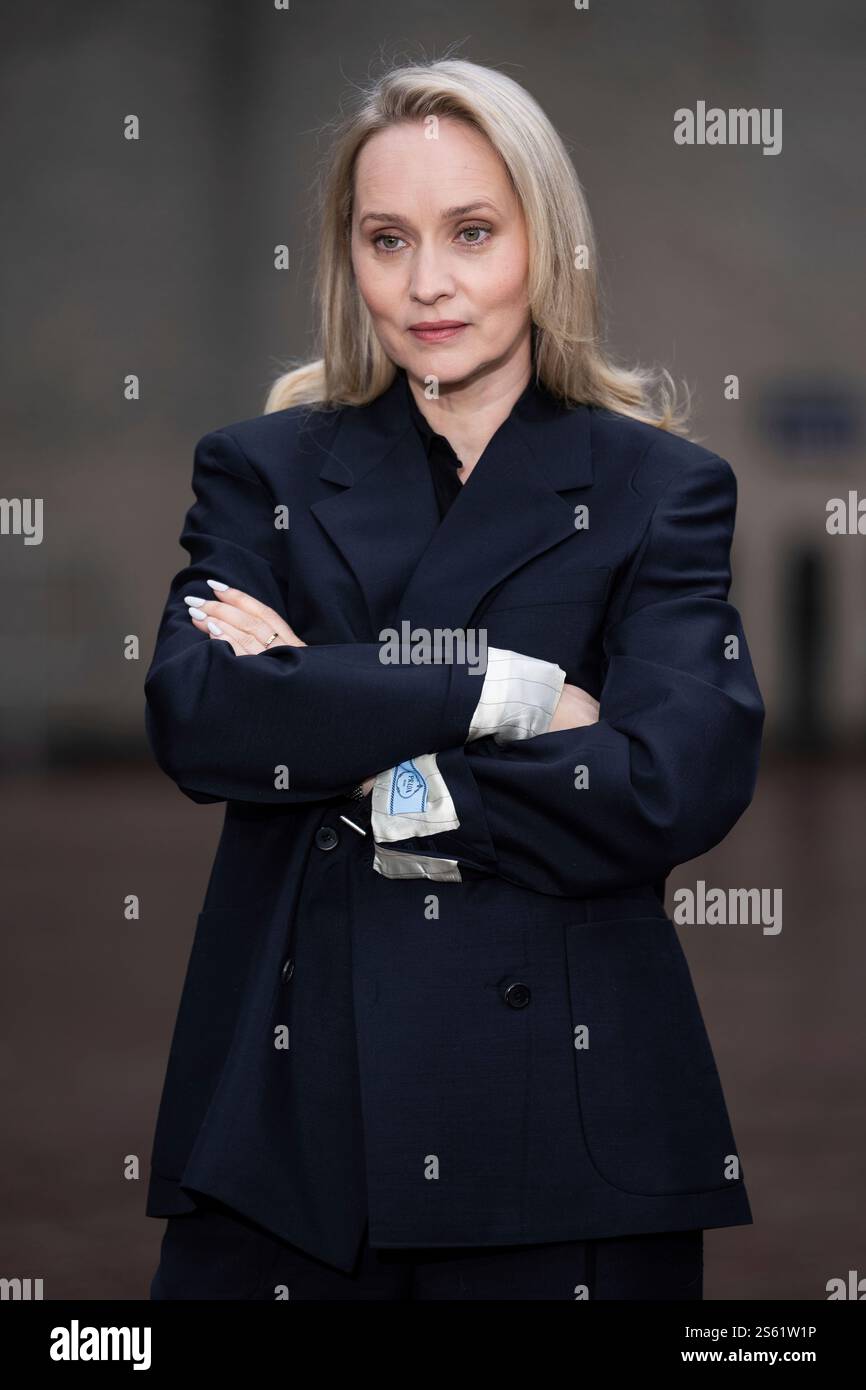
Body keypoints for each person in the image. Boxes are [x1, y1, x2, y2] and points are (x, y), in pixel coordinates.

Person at [144, 57, 764, 1301]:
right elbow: (200, 714)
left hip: (565, 1129)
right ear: (348, 259)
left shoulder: (658, 487)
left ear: (546, 246)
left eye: (470, 233)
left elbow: (671, 776)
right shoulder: (259, 472)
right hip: (289, 1128)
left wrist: (337, 725)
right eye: (387, 239)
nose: (426, 283)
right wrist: (507, 694)